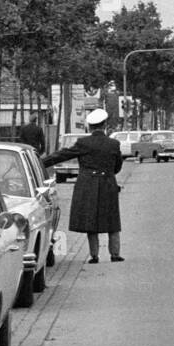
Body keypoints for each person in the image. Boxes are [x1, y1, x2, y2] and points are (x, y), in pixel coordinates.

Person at [39, 108, 124, 263]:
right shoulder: (114, 144)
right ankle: (115, 254)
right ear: (104, 125)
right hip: (108, 184)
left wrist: (41, 162)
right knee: (112, 219)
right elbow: (118, 167)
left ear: (90, 127)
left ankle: (94, 255)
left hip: (88, 185)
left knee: (91, 220)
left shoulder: (84, 143)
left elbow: (62, 155)